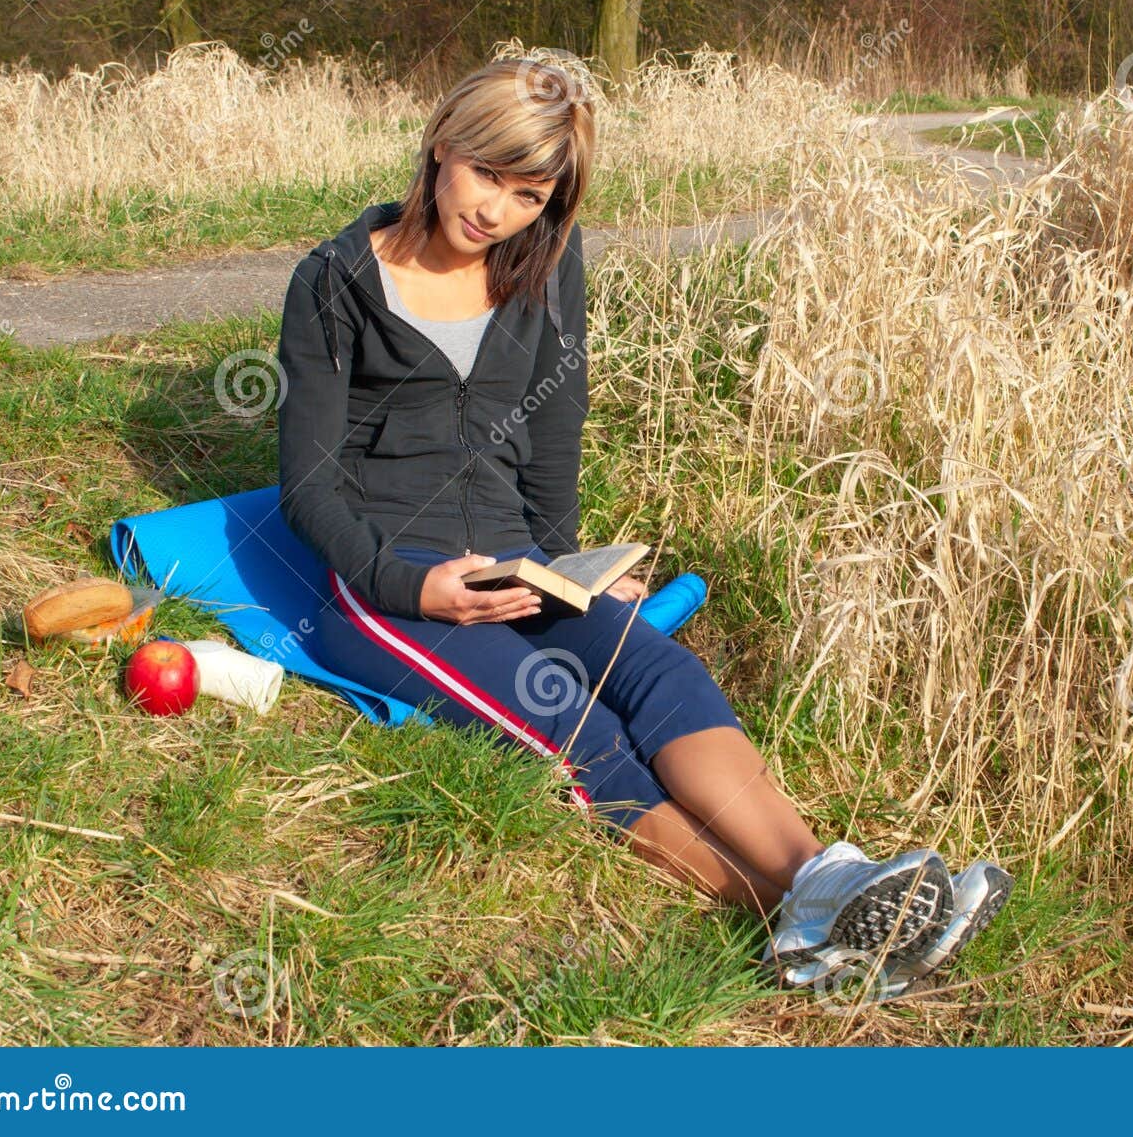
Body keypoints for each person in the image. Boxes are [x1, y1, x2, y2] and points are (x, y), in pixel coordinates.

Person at [274, 56, 1011, 999]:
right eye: (488, 174)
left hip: (522, 560)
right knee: (573, 719)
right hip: (393, 584)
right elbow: (307, 485)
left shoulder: (544, 262)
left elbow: (553, 429)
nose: (497, 209)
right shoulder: (333, 282)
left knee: (658, 668)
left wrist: (573, 563)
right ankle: (789, 914)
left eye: (528, 193)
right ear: (443, 143)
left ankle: (831, 878)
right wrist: (408, 586)